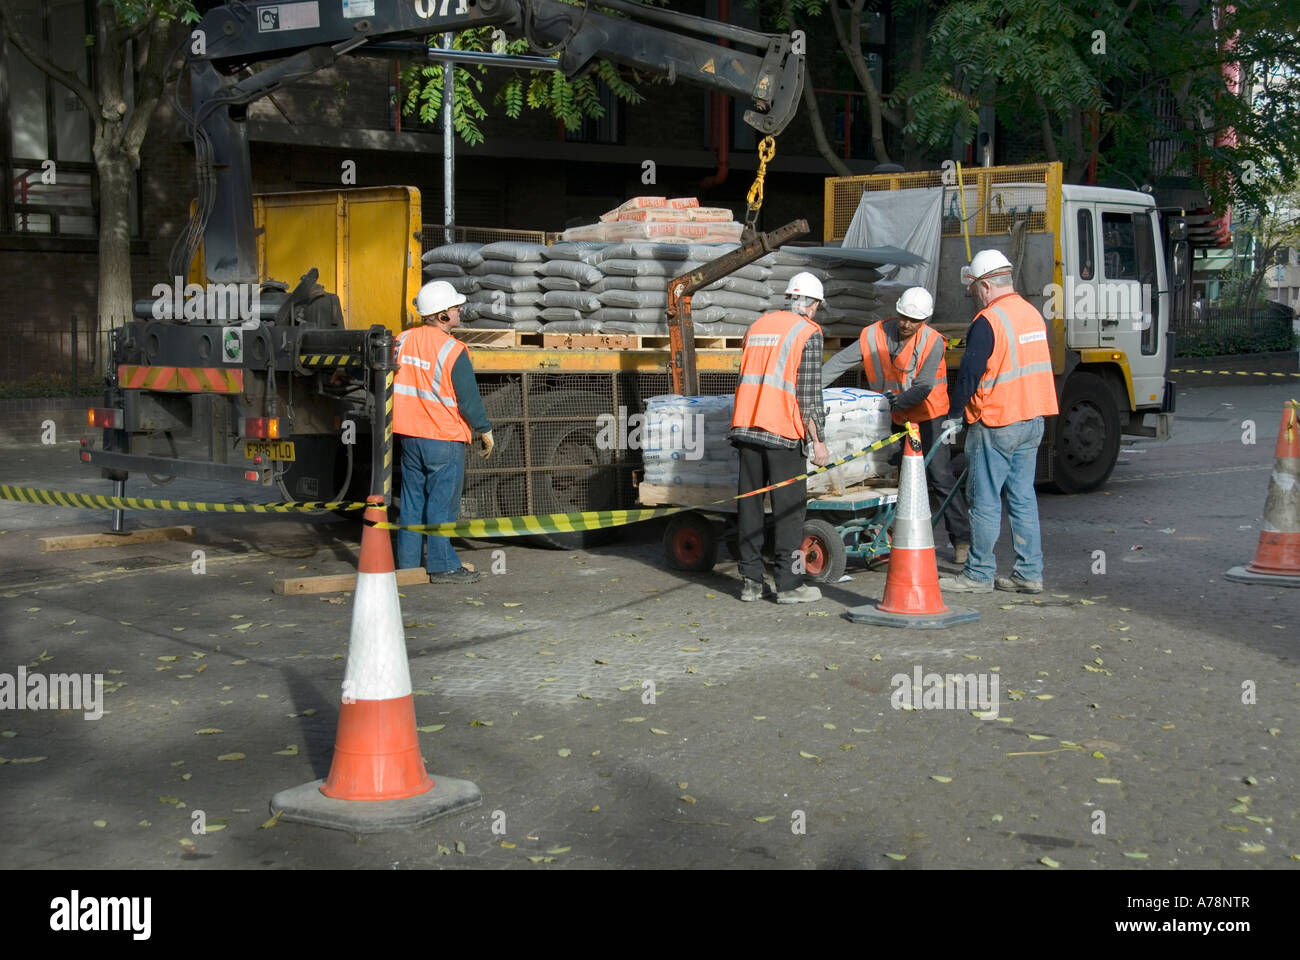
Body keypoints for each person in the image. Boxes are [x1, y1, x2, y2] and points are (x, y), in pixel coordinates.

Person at [822, 285, 971, 565]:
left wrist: (892, 404)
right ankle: (886, 538)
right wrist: (807, 390)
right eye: (902, 316)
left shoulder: (932, 341)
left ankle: (961, 540)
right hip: (891, 417)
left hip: (928, 415)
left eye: (913, 321)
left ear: (924, 320)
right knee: (887, 476)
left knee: (940, 477)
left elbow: (924, 386)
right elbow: (840, 363)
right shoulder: (874, 335)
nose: (906, 324)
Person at [938, 250, 1058, 595]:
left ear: (986, 286)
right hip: (1032, 418)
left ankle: (978, 573)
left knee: (985, 499)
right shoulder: (1032, 314)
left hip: (997, 421)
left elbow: (970, 374)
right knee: (1022, 498)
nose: (974, 295)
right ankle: (1029, 572)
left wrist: (955, 415)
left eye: (974, 288)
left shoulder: (988, 320)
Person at [730, 271, 831, 604]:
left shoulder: (758, 327)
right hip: (783, 432)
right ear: (812, 304)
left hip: (746, 426)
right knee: (790, 511)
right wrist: (817, 440)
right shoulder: (808, 332)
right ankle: (789, 585)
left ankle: (750, 582)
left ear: (789, 298)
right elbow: (809, 394)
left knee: (750, 506)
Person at [394, 280, 494, 584]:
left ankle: (408, 566)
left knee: (411, 501)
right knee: (442, 504)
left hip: (409, 436)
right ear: (441, 315)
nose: (459, 310)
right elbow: (468, 399)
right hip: (444, 438)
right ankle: (442, 566)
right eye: (454, 307)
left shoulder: (402, 340)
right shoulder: (453, 350)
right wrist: (485, 429)